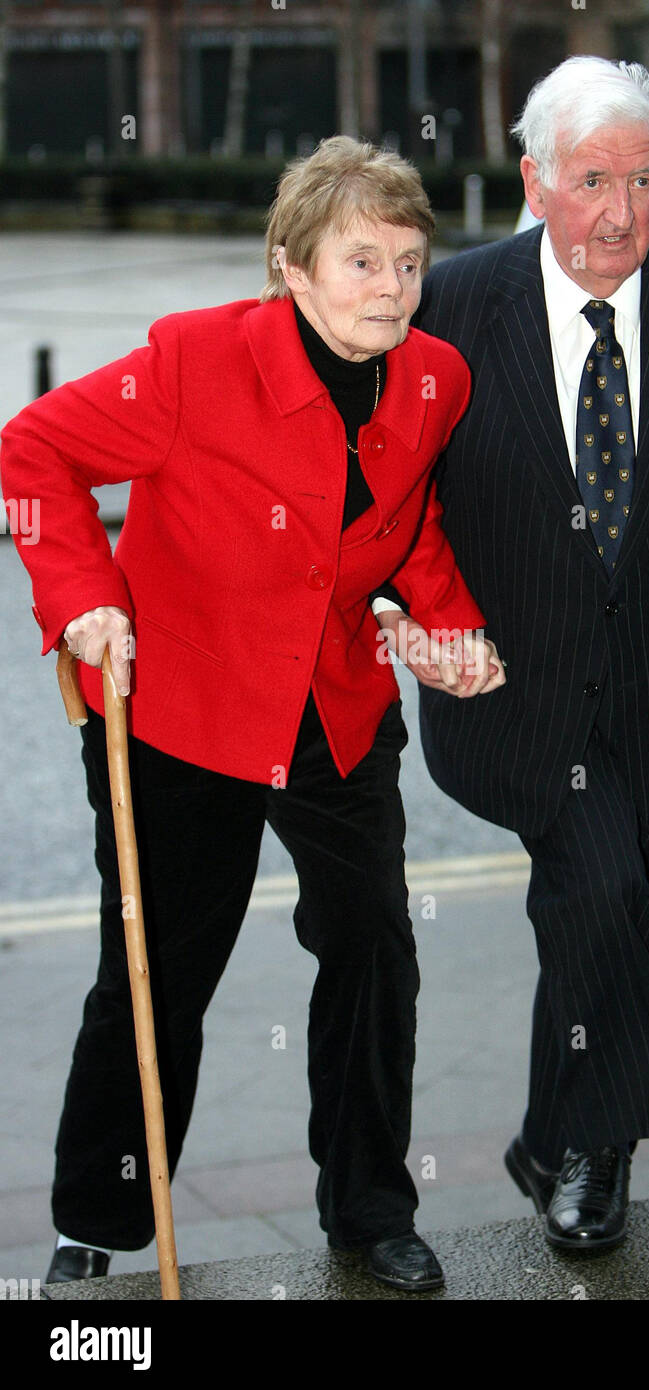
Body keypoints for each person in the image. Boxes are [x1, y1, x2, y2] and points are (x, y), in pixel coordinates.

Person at [0, 135, 504, 1293]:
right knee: (156, 970)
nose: (391, 289)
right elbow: (33, 451)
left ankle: (370, 1209)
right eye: (362, 262)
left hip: (331, 704)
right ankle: (99, 1225)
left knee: (375, 949)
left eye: (410, 263)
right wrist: (82, 599)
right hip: (181, 706)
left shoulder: (435, 378)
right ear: (292, 266)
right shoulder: (193, 362)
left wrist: (447, 625)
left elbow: (405, 522)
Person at [375, 56, 649, 1253]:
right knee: (599, 887)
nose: (621, 212)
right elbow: (384, 485)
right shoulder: (451, 307)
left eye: (644, 179)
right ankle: (600, 1147)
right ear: (533, 181)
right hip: (508, 690)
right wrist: (410, 618)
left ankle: (546, 1127)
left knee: (601, 905)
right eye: (590, 181)